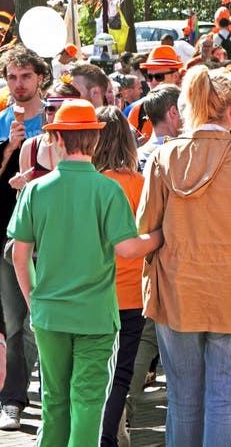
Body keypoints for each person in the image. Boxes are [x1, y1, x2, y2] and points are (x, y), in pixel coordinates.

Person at [8, 99, 162, 447]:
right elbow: (126, 249)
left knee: (54, 401)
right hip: (95, 316)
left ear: (57, 139)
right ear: (94, 140)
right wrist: (159, 236)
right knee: (89, 402)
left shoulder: (35, 189)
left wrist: (35, 303)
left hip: (49, 313)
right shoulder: (108, 190)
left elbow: (20, 256)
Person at [137, 64, 231, 447]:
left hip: (177, 289)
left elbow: (145, 224)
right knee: (226, 400)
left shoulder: (165, 157)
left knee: (183, 399)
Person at [92, 106, 146, 447]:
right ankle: (106, 438)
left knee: (90, 375)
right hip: (130, 293)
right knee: (119, 376)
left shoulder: (89, 184)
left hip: (92, 293)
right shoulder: (141, 184)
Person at [0, 46, 48, 432]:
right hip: (9, 239)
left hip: (52, 238)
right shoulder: (0, 122)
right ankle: (13, 398)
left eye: (25, 76)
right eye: (12, 77)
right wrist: (10, 148)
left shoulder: (58, 119)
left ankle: (53, 395)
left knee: (45, 320)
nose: (18, 85)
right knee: (14, 322)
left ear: (40, 78)